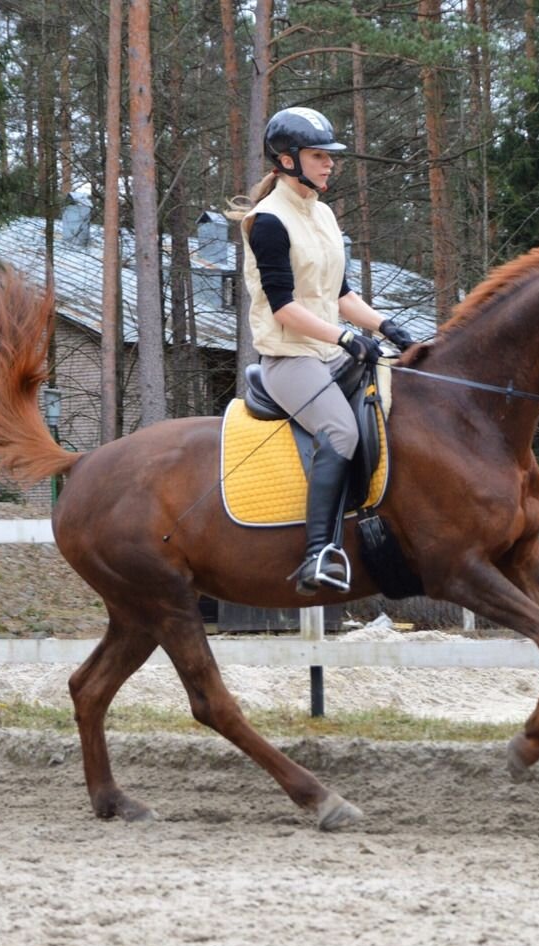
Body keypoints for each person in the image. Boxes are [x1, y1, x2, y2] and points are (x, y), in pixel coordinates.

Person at [228, 106, 414, 596]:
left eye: (330, 156)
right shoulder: (267, 221)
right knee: (340, 431)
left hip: (329, 350)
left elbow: (341, 295)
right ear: (287, 160)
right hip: (290, 359)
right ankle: (318, 555)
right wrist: (345, 338)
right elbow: (284, 308)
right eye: (318, 156)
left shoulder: (324, 214)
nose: (330, 164)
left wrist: (391, 328)